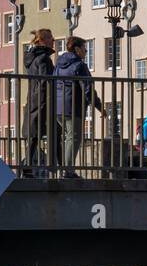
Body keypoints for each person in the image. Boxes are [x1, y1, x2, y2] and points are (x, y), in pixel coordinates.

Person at [53, 37, 106, 177]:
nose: (86, 51)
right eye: (84, 48)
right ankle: (68, 171)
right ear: (77, 49)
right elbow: (88, 88)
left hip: (58, 107)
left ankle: (64, 169)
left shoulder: (59, 64)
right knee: (74, 138)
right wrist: (99, 106)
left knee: (67, 137)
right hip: (73, 106)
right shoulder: (79, 65)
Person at [23, 28, 59, 176]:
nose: (53, 40)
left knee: (35, 135)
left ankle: (28, 166)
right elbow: (46, 82)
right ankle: (62, 169)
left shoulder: (31, 59)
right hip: (43, 101)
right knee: (54, 133)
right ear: (43, 40)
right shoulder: (44, 59)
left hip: (33, 99)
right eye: (50, 38)